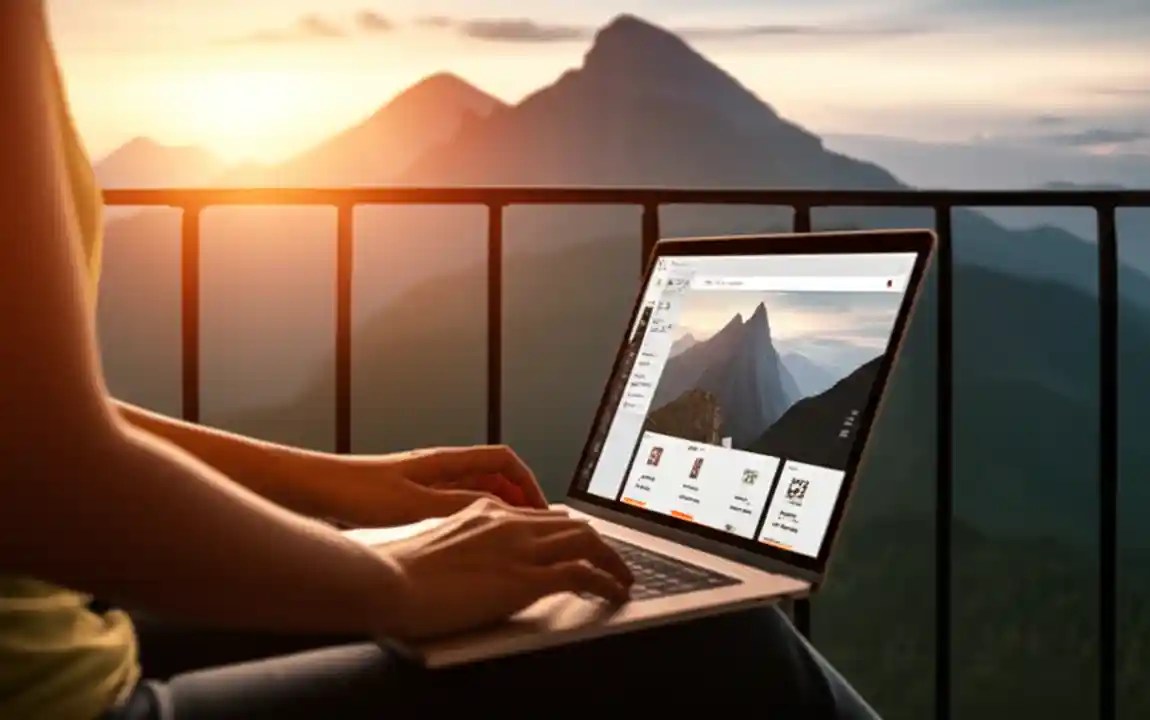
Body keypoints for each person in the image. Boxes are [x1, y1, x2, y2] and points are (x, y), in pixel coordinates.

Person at [0, 3, 881, 718]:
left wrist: (347, 487)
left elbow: (38, 415)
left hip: (65, 633)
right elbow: (43, 470)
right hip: (56, 691)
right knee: (722, 648)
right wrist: (390, 580)